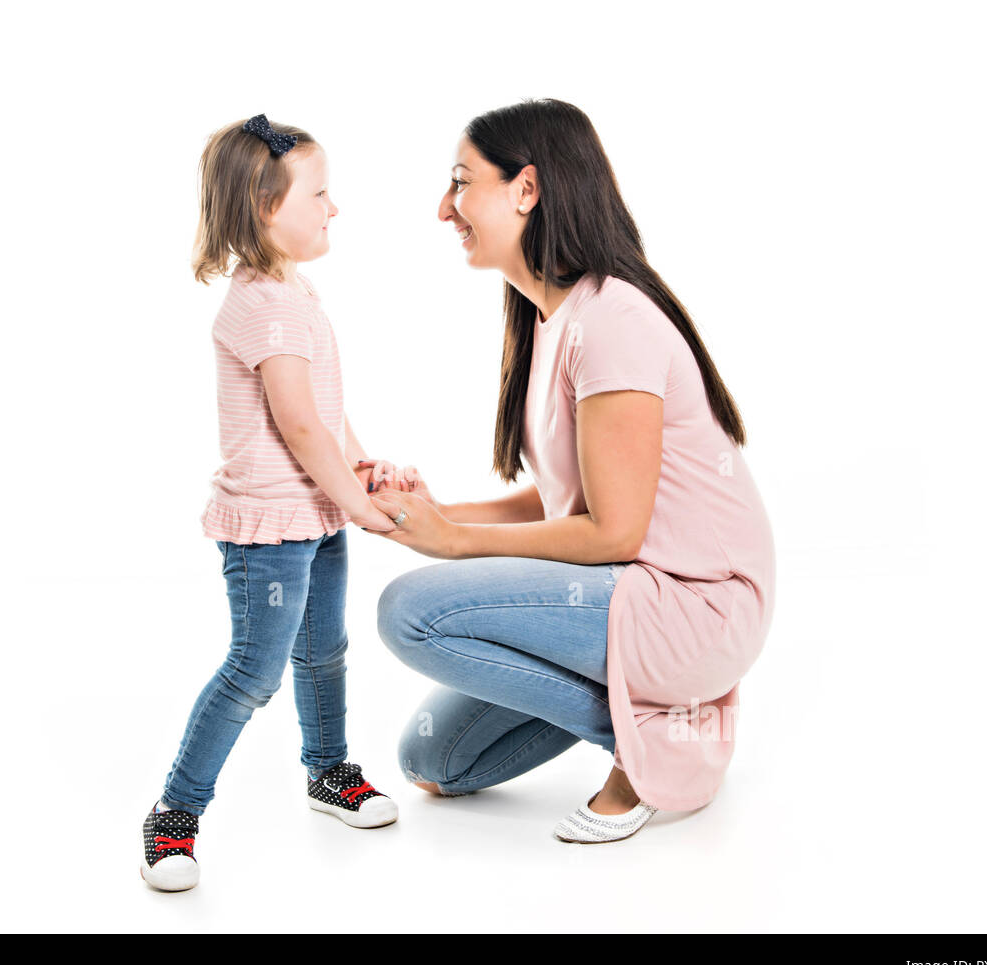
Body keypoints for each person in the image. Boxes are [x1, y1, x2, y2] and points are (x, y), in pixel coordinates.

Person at [368, 99, 776, 843]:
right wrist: (438, 514)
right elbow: (566, 500)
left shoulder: (611, 319)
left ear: (526, 190)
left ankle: (662, 746)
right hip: (625, 592)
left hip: (694, 605)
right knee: (433, 759)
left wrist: (452, 545)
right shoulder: (555, 319)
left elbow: (614, 531)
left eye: (461, 183)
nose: (443, 208)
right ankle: (658, 723)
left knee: (410, 612)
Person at [140, 115, 409, 891]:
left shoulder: (292, 289)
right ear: (265, 205)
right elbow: (294, 424)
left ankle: (328, 771)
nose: (335, 208)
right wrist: (357, 500)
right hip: (272, 531)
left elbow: (322, 408)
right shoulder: (264, 305)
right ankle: (175, 815)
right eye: (320, 194)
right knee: (254, 670)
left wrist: (359, 463)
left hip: (313, 514)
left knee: (324, 650)